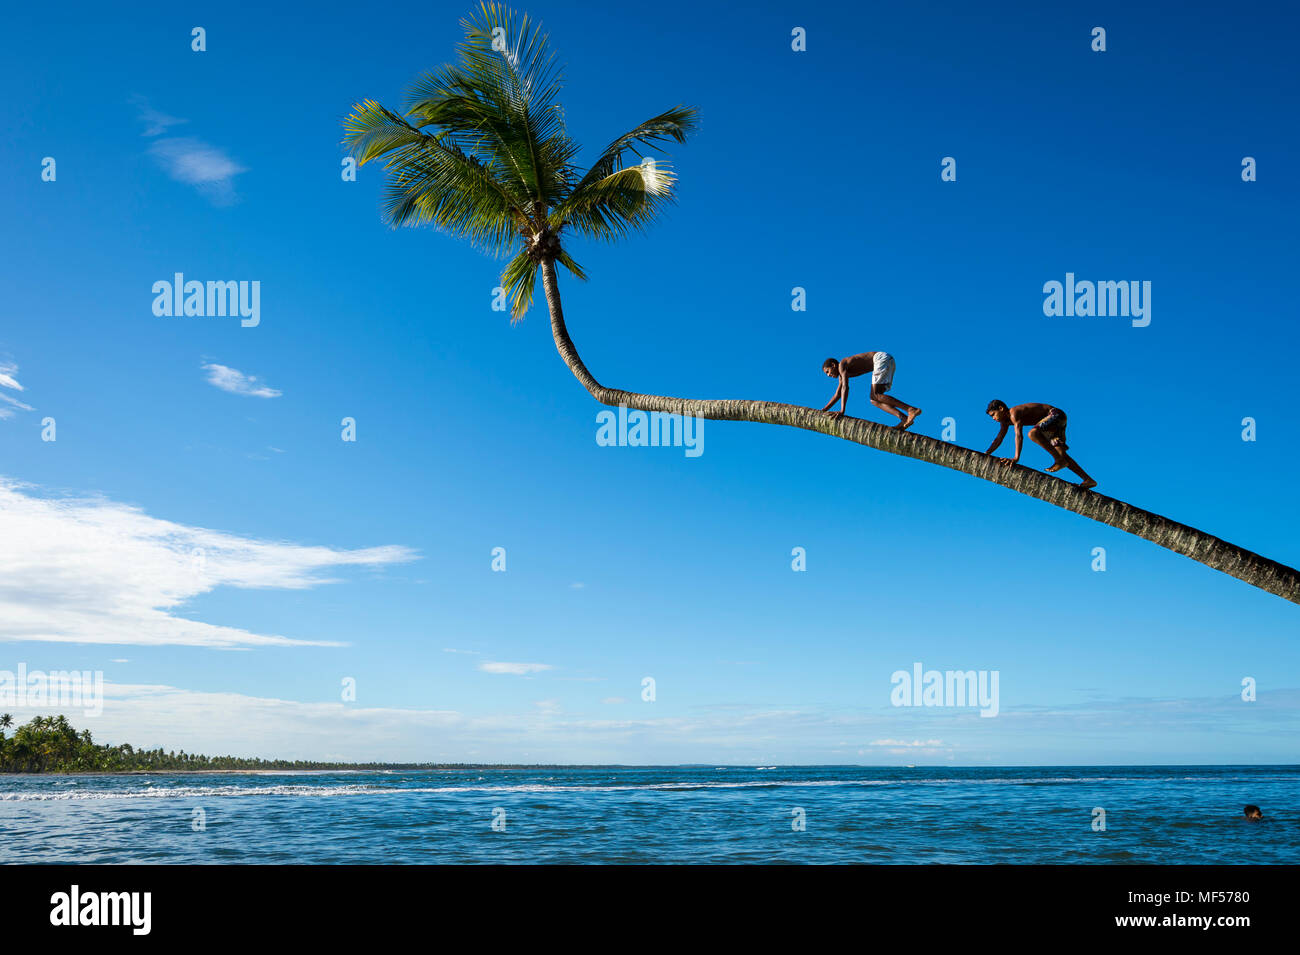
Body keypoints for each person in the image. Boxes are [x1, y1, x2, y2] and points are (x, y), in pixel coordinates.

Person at [984, 400, 1097, 490]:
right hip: (1053, 424)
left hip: (1055, 415)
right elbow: (999, 438)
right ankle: (1088, 480)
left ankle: (1059, 460)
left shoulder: (1013, 413)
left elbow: (1018, 435)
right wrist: (987, 453)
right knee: (1062, 456)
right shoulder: (1005, 423)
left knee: (1033, 434)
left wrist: (1016, 458)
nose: (993, 418)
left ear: (1001, 408)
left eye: (993, 414)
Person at [819, 352, 922, 429]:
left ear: (833, 365)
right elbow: (837, 394)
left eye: (828, 371)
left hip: (880, 359)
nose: (828, 375)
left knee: (875, 395)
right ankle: (904, 418)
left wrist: (842, 411)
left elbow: (846, 387)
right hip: (887, 361)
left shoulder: (842, 364)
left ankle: (910, 409)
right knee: (874, 400)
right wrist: (823, 410)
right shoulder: (841, 375)